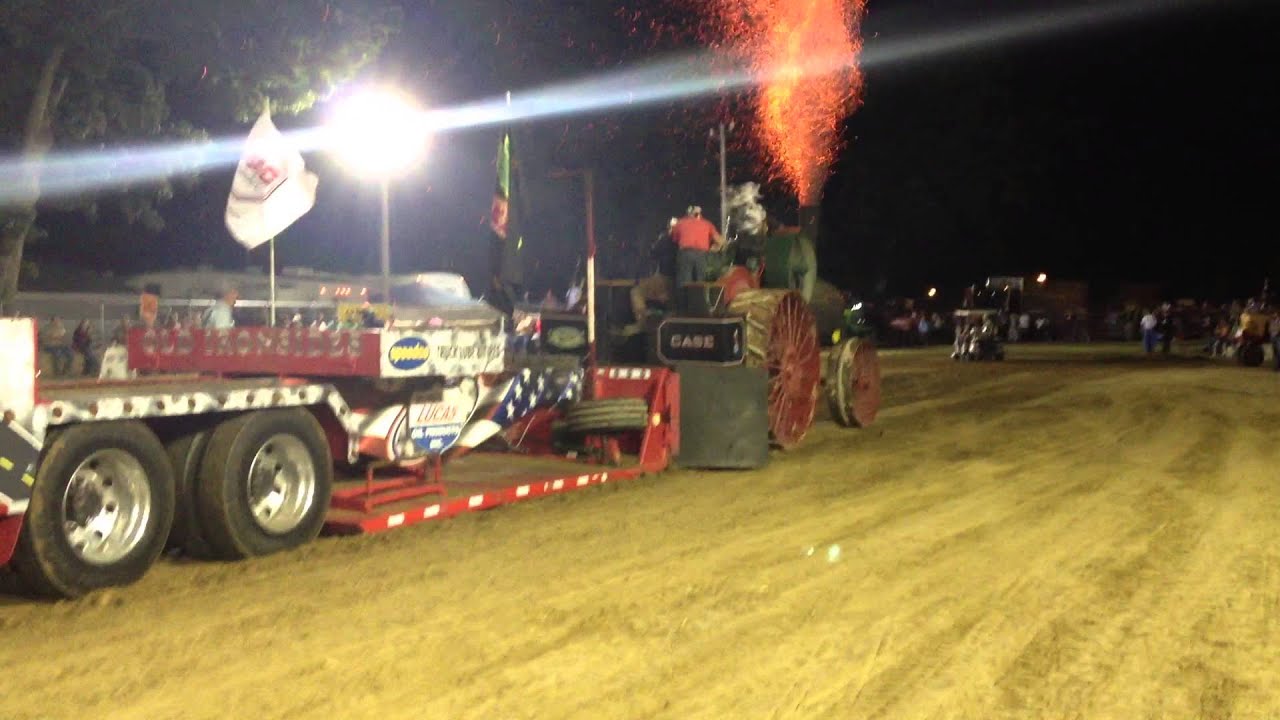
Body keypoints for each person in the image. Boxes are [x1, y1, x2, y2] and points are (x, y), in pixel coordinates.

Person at [670, 205, 724, 286]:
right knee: (701, 283)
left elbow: (674, 239)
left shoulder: (680, 223)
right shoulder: (707, 224)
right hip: (702, 255)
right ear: (700, 214)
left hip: (685, 254)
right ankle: (699, 297)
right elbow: (720, 241)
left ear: (688, 214)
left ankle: (684, 298)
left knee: (684, 283)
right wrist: (713, 249)